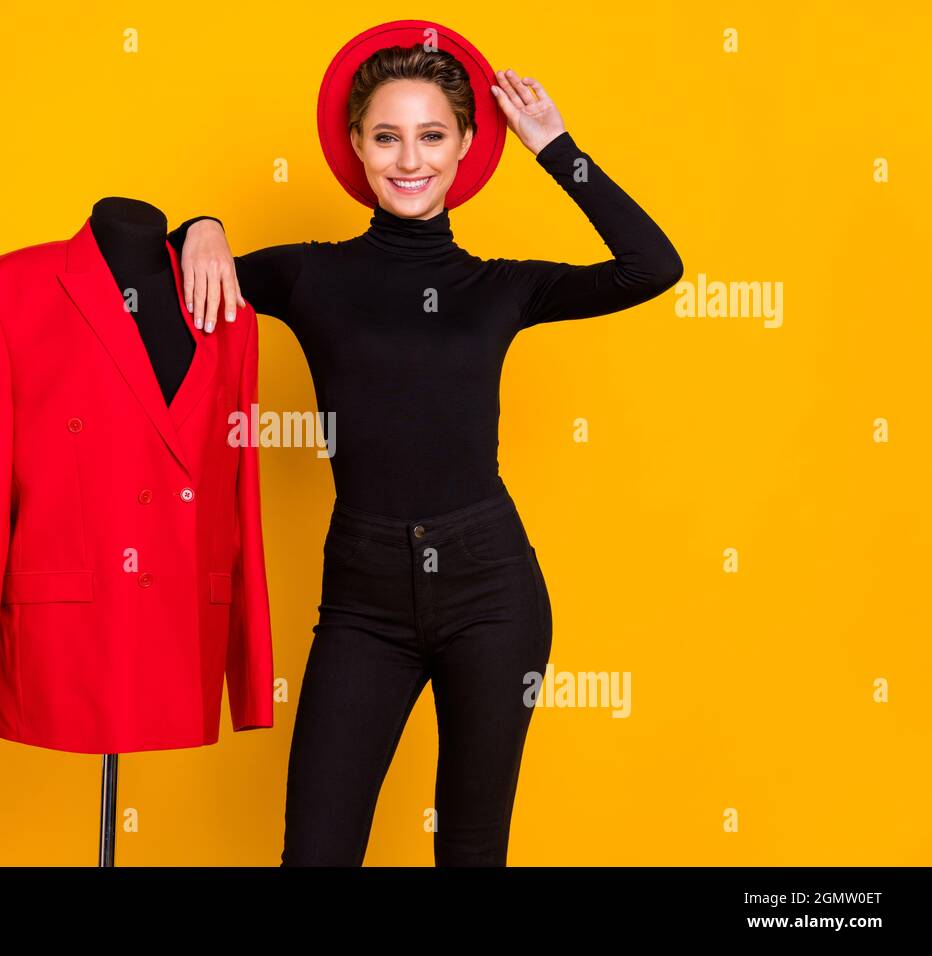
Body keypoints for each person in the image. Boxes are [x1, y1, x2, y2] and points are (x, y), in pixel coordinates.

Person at [169, 45, 682, 865]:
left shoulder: (503, 287)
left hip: (492, 591)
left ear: (467, 147)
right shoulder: (310, 276)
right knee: (316, 852)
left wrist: (557, 149)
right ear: (357, 148)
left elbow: (654, 267)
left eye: (433, 137)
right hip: (363, 598)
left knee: (471, 853)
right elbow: (160, 281)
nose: (410, 160)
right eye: (387, 138)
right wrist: (200, 228)